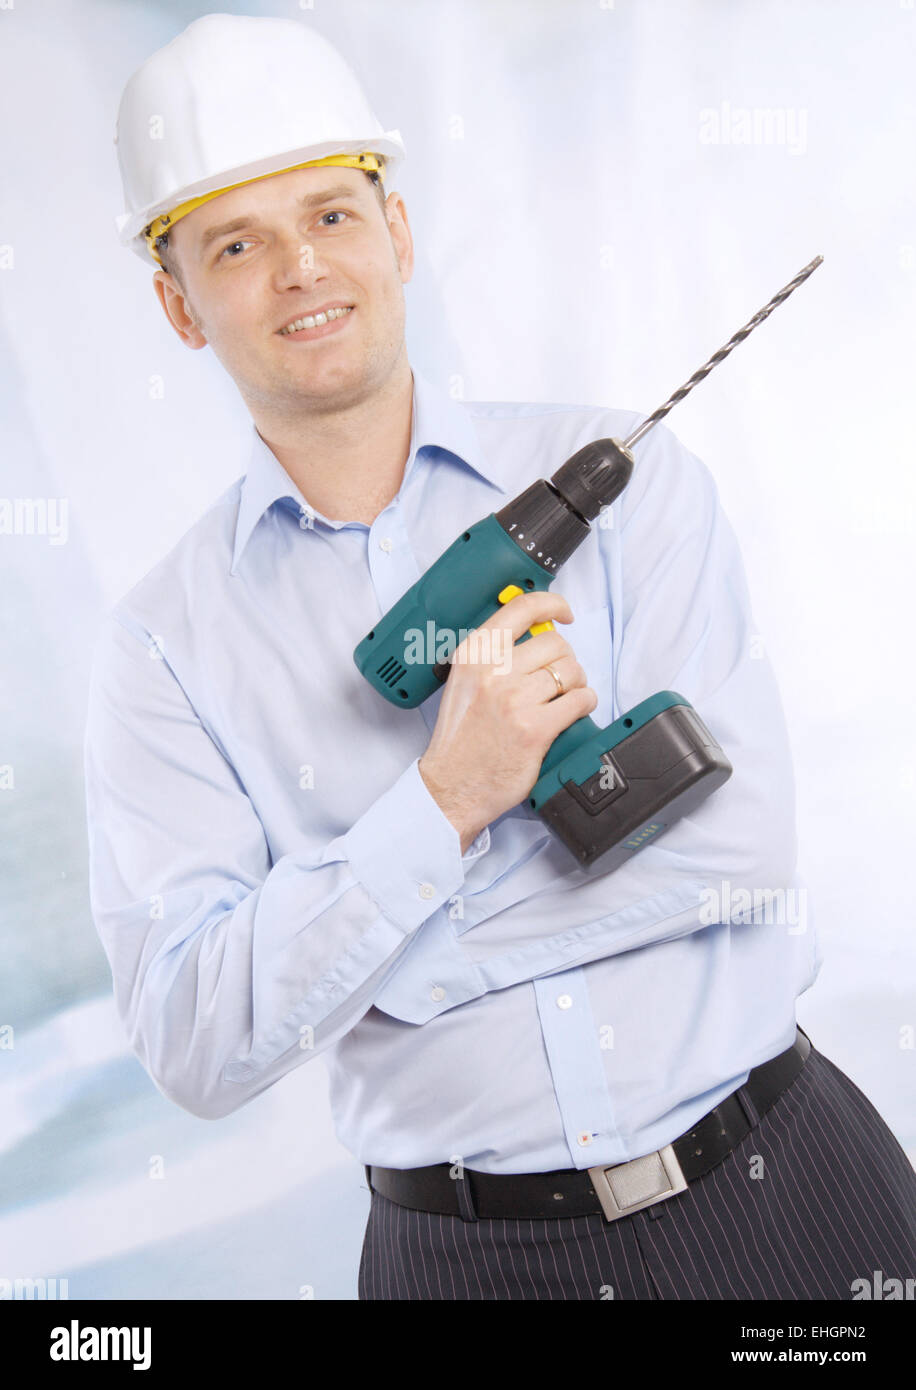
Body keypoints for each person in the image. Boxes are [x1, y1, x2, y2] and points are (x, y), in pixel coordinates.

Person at [85, 13, 916, 1300]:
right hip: (466, 1263)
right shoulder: (162, 648)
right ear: (177, 304)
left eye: (333, 216)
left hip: (788, 1187)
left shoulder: (634, 483)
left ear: (398, 235)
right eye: (235, 245)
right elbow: (199, 1040)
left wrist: (368, 948)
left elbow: (742, 859)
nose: (301, 267)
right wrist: (447, 797)